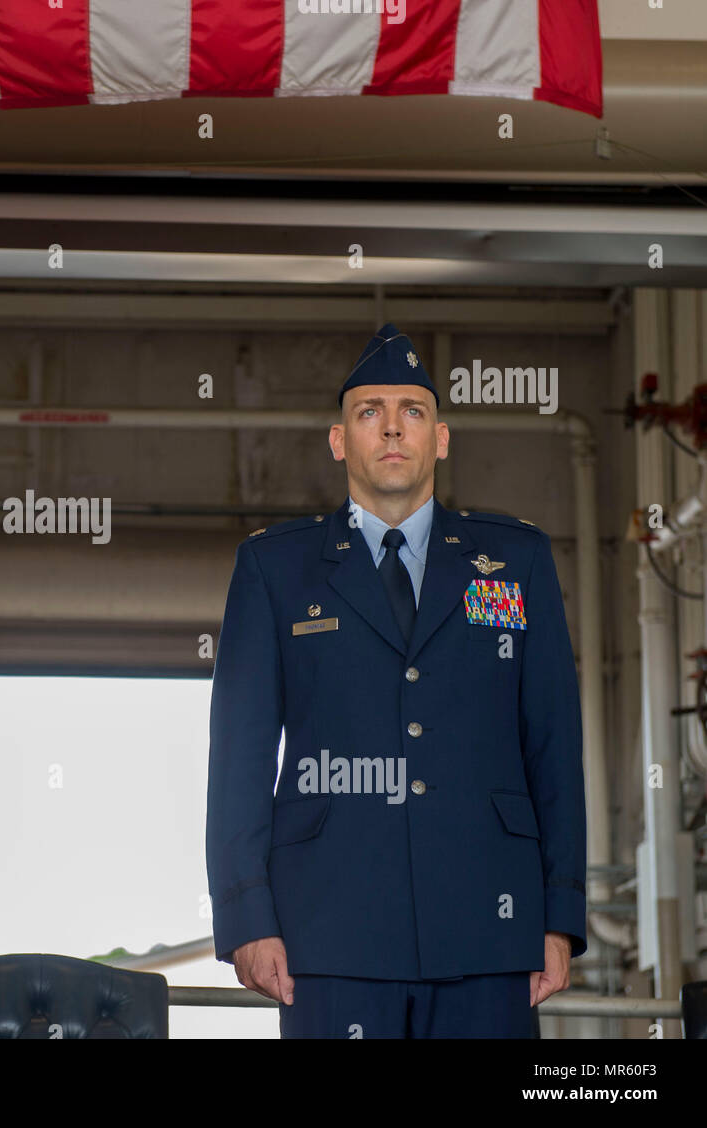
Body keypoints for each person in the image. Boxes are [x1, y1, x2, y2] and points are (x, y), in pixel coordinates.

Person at [205, 324, 586, 1038]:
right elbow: (239, 759)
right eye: (368, 411)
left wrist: (558, 916)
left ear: (440, 438)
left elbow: (554, 748)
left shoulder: (515, 561)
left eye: (411, 410)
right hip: (327, 930)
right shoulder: (274, 570)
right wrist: (246, 916)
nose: (390, 428)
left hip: (489, 923)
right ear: (338, 440)